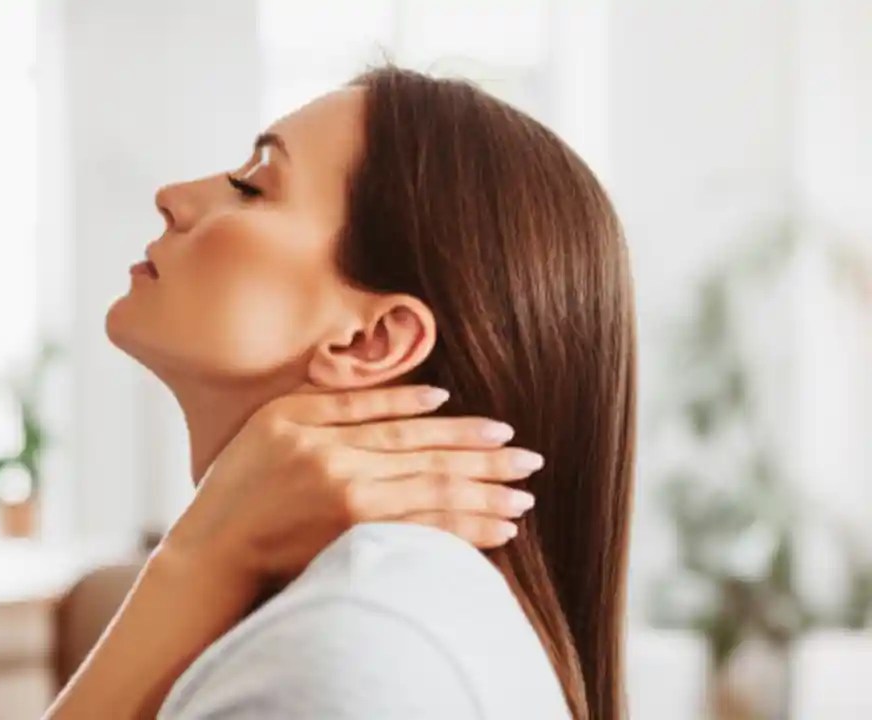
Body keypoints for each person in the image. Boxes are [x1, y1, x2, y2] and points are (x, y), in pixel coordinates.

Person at [47, 66, 635, 720]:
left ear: (373, 341)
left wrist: (196, 559)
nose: (172, 195)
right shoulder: (349, 617)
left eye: (252, 186)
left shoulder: (354, 647)